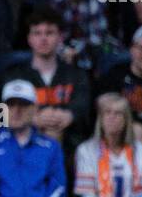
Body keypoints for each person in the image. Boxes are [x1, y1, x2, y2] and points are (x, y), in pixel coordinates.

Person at [6, 8, 90, 147]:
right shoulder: (14, 75)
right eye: (37, 33)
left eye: (49, 33)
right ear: (29, 39)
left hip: (70, 142)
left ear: (60, 37)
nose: (43, 38)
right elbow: (1, 114)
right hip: (23, 141)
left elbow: (84, 109)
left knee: (54, 133)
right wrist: (32, 118)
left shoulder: (76, 74)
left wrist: (70, 115)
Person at [52, 0, 121, 71]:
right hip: (65, 48)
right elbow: (53, 33)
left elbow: (96, 38)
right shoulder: (57, 1)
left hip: (95, 48)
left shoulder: (96, 1)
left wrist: (75, 51)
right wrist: (63, 50)